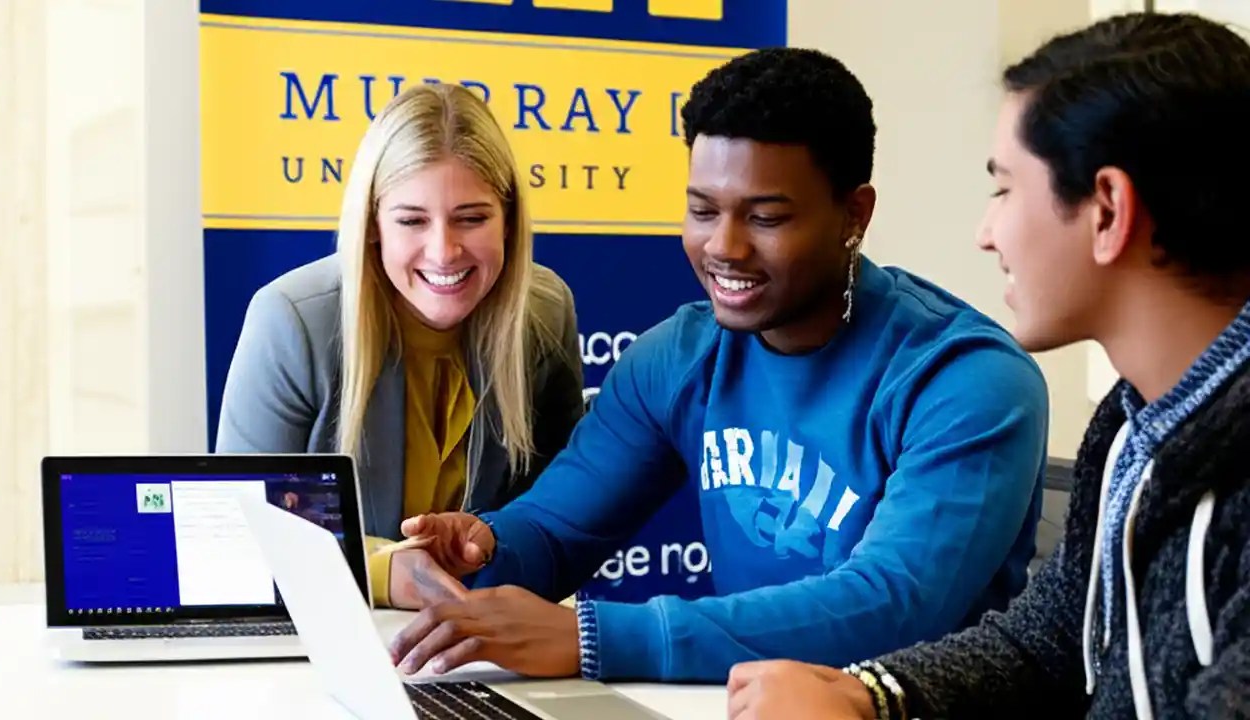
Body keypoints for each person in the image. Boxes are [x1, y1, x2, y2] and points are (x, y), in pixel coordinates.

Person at [382, 47, 1052, 684]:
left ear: (855, 213)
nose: (724, 247)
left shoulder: (967, 377)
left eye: (765, 217)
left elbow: (895, 606)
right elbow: (556, 532)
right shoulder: (677, 358)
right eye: (702, 211)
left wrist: (593, 638)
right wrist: (483, 550)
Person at [724, 12, 1250, 720]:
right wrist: (870, 696)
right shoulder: (1132, 425)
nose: (985, 233)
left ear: (1107, 212)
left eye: (1004, 189)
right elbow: (1050, 638)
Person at [215, 84, 585, 610]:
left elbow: (562, 516)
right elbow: (236, 533)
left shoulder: (544, 312)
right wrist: (385, 574)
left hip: (476, 641)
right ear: (372, 226)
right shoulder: (292, 319)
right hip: (326, 636)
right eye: (412, 220)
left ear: (509, 220)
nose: (444, 251)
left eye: (472, 218)